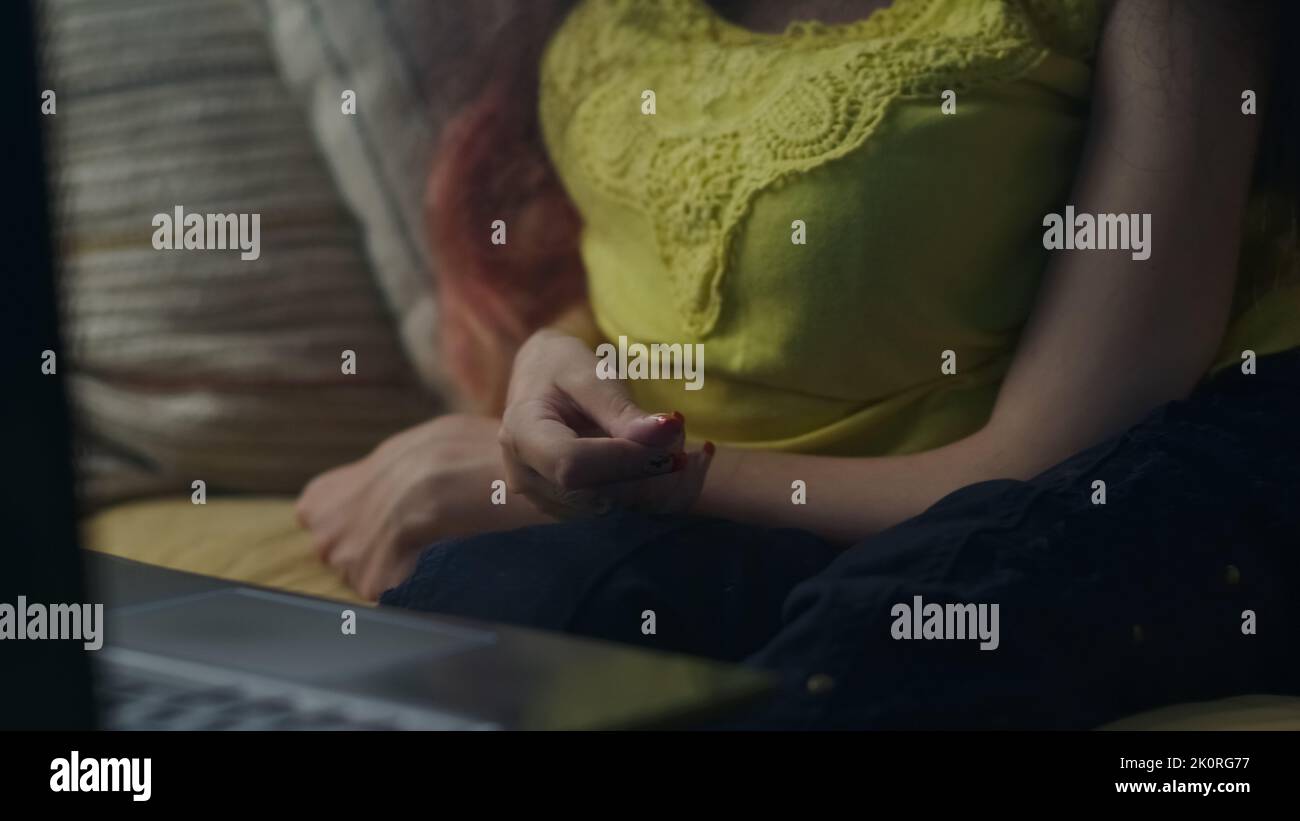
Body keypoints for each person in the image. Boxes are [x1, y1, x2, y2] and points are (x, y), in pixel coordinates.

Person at [297, 0, 1300, 727]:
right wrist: (551, 372)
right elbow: (659, 306)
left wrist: (648, 480)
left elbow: (1056, 458)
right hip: (783, 521)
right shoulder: (606, 29)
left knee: (905, 631)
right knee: (495, 596)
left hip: (1122, 484)